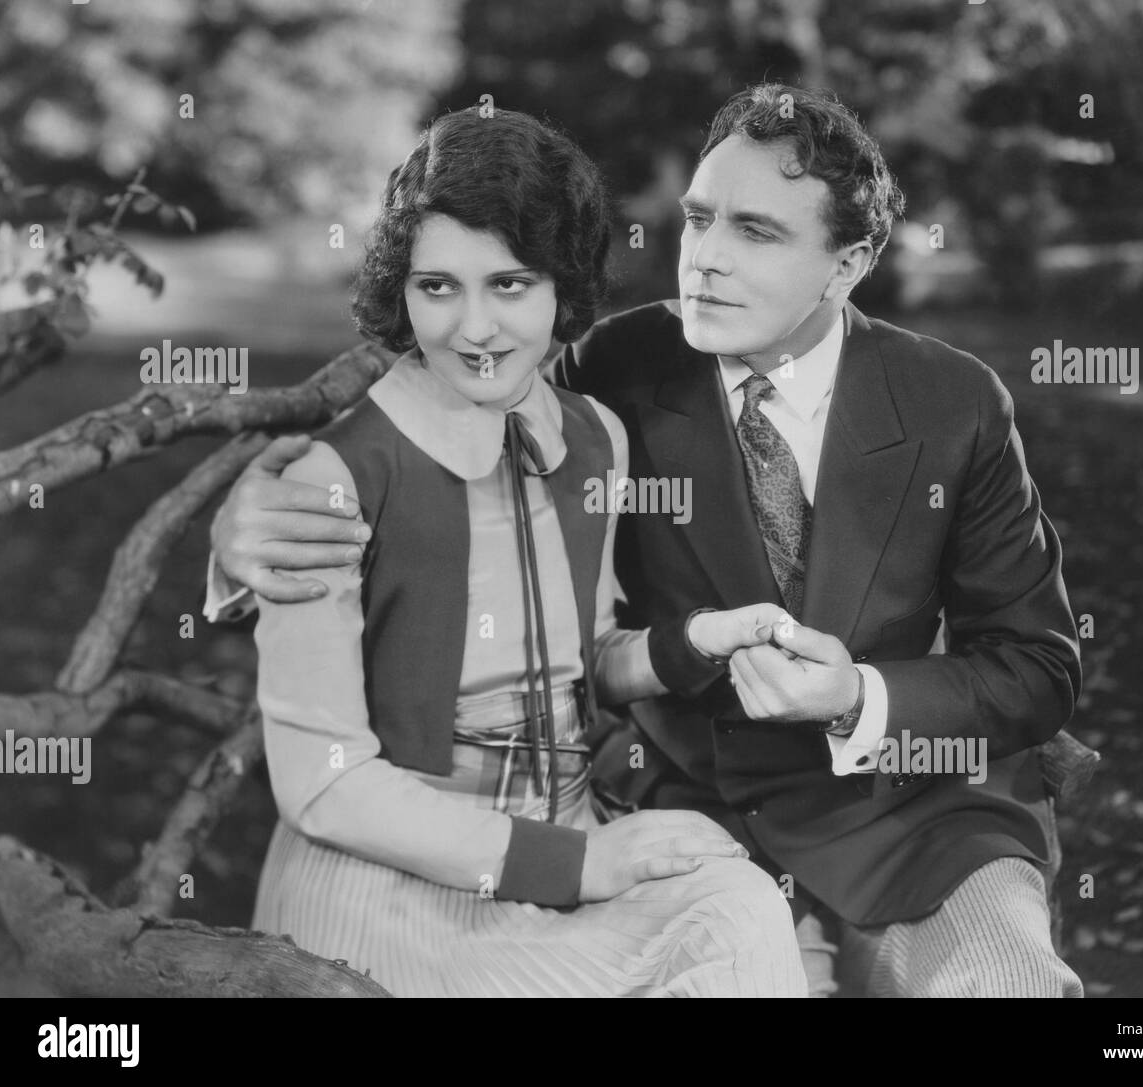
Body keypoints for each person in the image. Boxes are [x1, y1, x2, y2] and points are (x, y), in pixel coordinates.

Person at [209, 85, 1083, 997]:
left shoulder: (953, 402)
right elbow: (436, 378)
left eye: (756, 232)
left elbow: (1037, 668)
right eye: (699, 219)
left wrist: (856, 696)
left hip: (911, 824)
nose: (704, 261)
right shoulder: (615, 370)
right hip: (686, 816)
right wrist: (241, 540)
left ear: (848, 263)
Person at [225, 106, 807, 997]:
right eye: (436, 287)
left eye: (509, 284)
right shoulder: (328, 480)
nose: (473, 328)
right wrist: (576, 863)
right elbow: (325, 787)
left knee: (743, 913)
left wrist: (696, 642)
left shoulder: (595, 438)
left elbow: (588, 654)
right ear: (400, 289)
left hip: (571, 837)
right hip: (390, 880)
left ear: (561, 290)